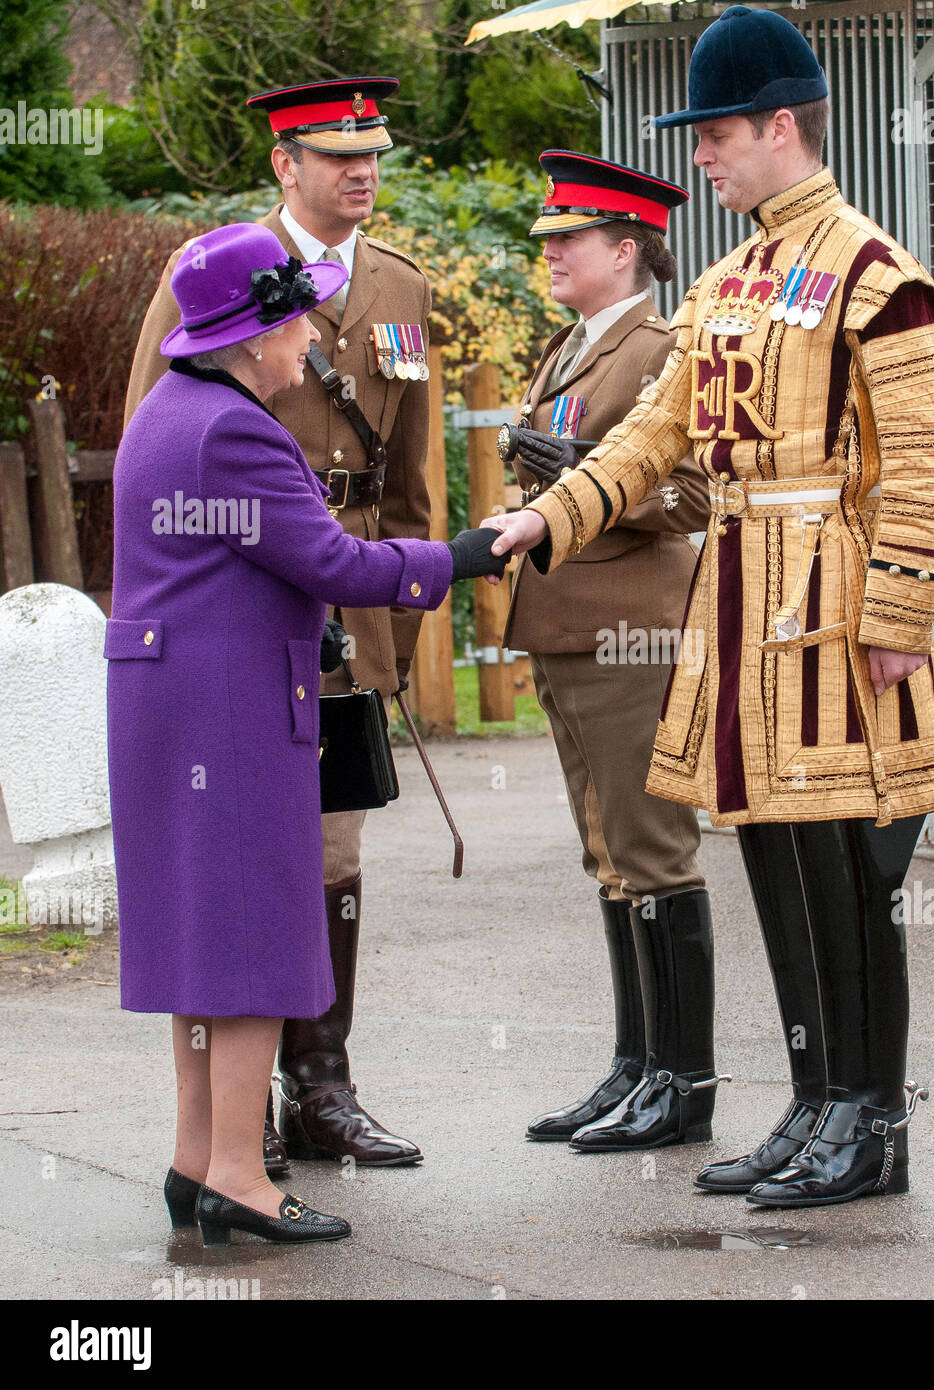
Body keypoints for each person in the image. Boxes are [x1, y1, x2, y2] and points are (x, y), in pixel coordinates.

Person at [488, 5, 934, 1207]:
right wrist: (540, 521)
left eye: (713, 133)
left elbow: (922, 457)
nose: (699, 155)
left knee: (850, 880)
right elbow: (653, 441)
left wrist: (897, 619)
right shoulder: (724, 279)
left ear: (778, 125)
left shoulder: (879, 273)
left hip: (836, 613)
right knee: (774, 861)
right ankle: (814, 1102)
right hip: (742, 601)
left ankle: (869, 1119)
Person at [109, 223, 504, 1244]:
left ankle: (196, 1157)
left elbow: (231, 557)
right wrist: (458, 556)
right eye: (297, 324)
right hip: (229, 710)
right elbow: (337, 560)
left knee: (200, 943)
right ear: (254, 336)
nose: (309, 343)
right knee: (248, 943)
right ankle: (241, 1172)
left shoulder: (166, 409)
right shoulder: (236, 430)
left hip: (168, 701)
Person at [126, 77, 436, 1172]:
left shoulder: (399, 283)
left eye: (373, 154)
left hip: (353, 593)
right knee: (237, 862)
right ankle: (235, 1121)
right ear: (283, 165)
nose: (361, 171)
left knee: (332, 850)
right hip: (245, 604)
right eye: (335, 154)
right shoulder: (213, 270)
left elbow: (414, 478)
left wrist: (399, 639)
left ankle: (323, 1087)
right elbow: (151, 431)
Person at [501, 152, 718, 1150]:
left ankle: (683, 1081)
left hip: (631, 634)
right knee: (609, 854)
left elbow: (696, 496)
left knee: (652, 850)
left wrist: (590, 476)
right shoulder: (578, 343)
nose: (549, 253)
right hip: (571, 628)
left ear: (624, 250)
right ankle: (636, 1067)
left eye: (567, 241)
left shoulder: (661, 349)